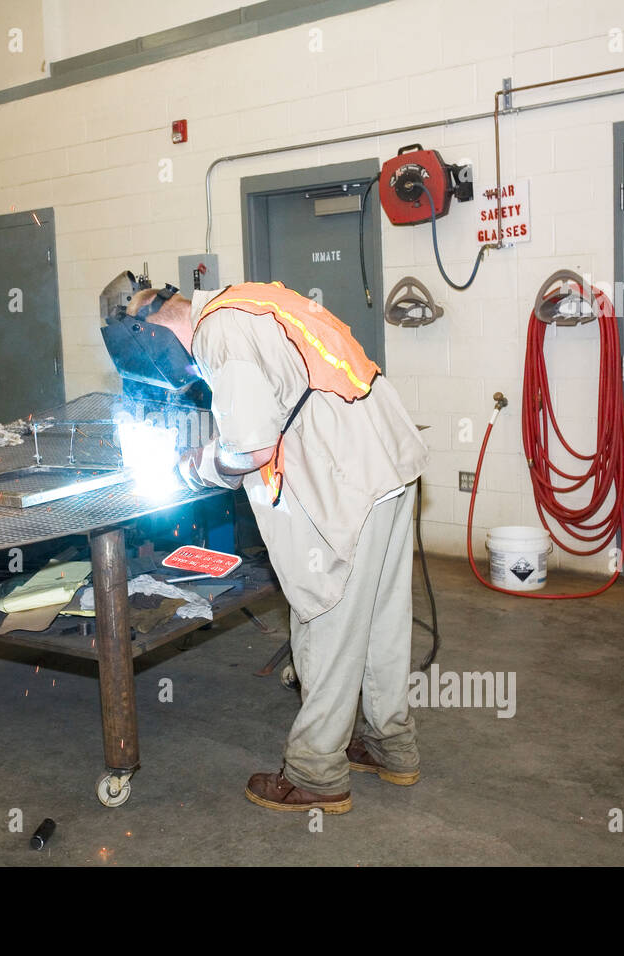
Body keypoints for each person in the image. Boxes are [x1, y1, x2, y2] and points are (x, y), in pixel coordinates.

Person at [118, 280, 430, 814]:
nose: (183, 375)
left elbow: (251, 447)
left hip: (347, 482)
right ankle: (390, 746)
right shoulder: (252, 299)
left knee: (326, 617)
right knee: (381, 618)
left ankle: (316, 773)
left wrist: (196, 468)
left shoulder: (217, 330)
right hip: (390, 466)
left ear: (156, 332)